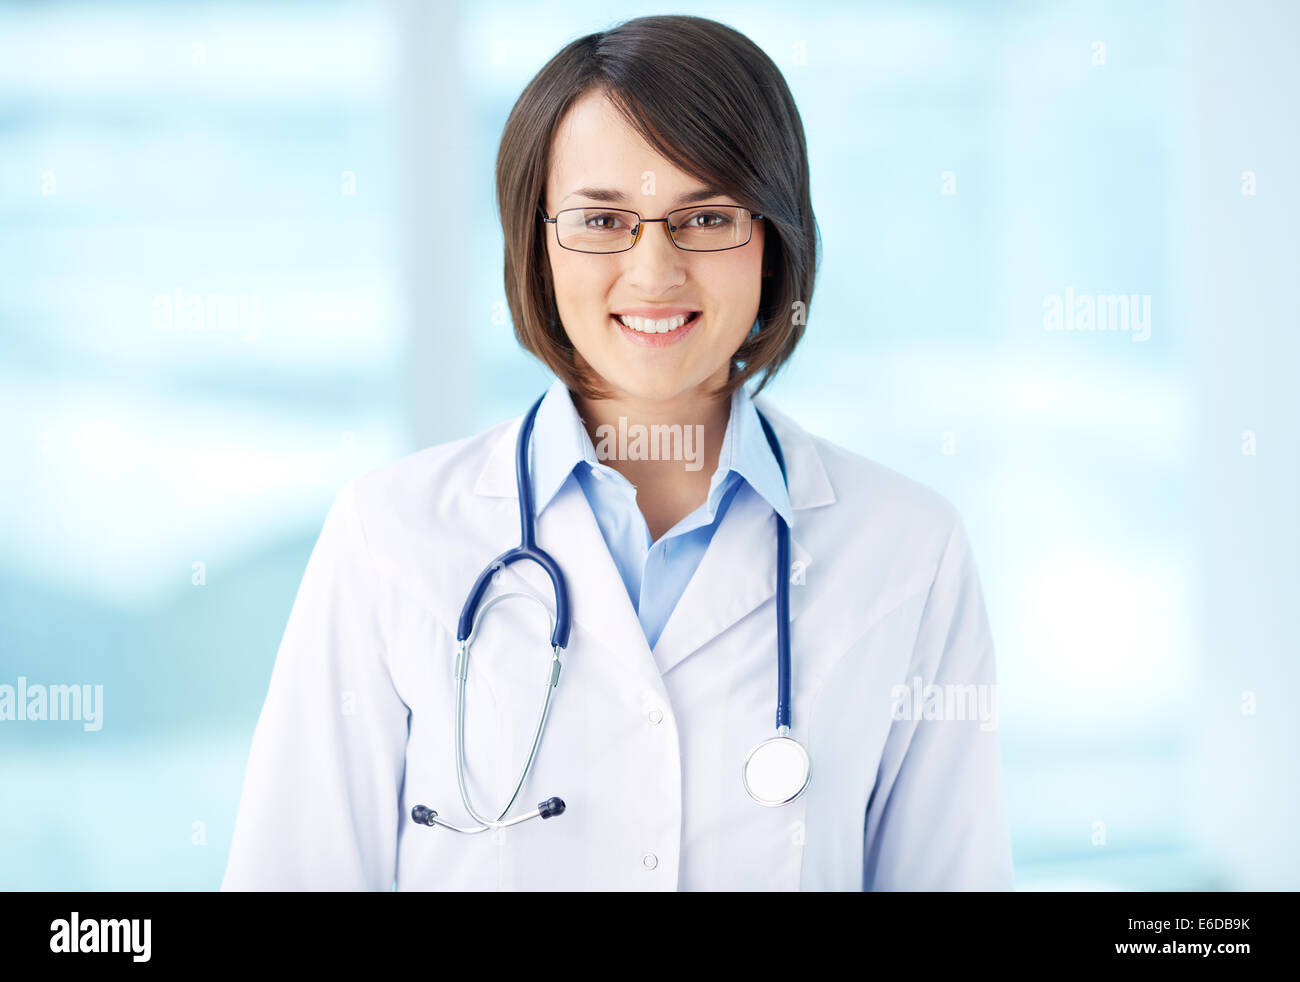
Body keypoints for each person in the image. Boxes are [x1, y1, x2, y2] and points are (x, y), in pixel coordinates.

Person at [221, 14, 1013, 891]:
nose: (653, 272)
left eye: (705, 217)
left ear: (775, 239)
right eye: (602, 218)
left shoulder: (907, 554)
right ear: (537, 242)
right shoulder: (389, 537)